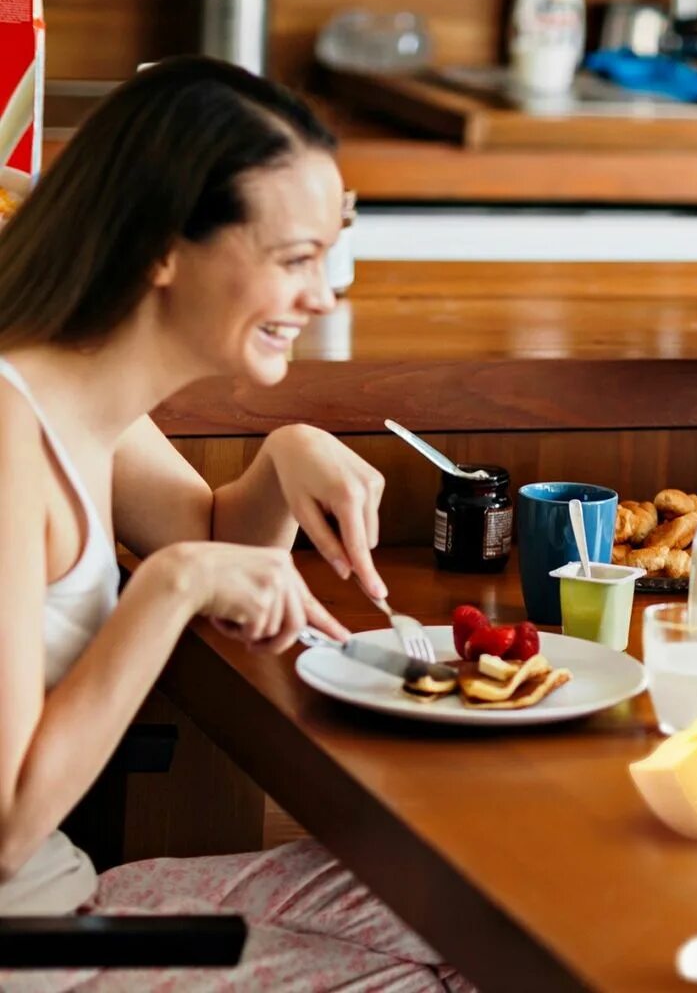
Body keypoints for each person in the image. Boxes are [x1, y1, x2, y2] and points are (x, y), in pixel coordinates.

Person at [0, 57, 471, 991]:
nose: (323, 295)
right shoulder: (8, 442)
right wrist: (169, 588)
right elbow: (8, 826)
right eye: (295, 260)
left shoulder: (73, 393)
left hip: (62, 900)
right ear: (161, 249)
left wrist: (281, 462)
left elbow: (209, 533)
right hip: (31, 946)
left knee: (470, 894)